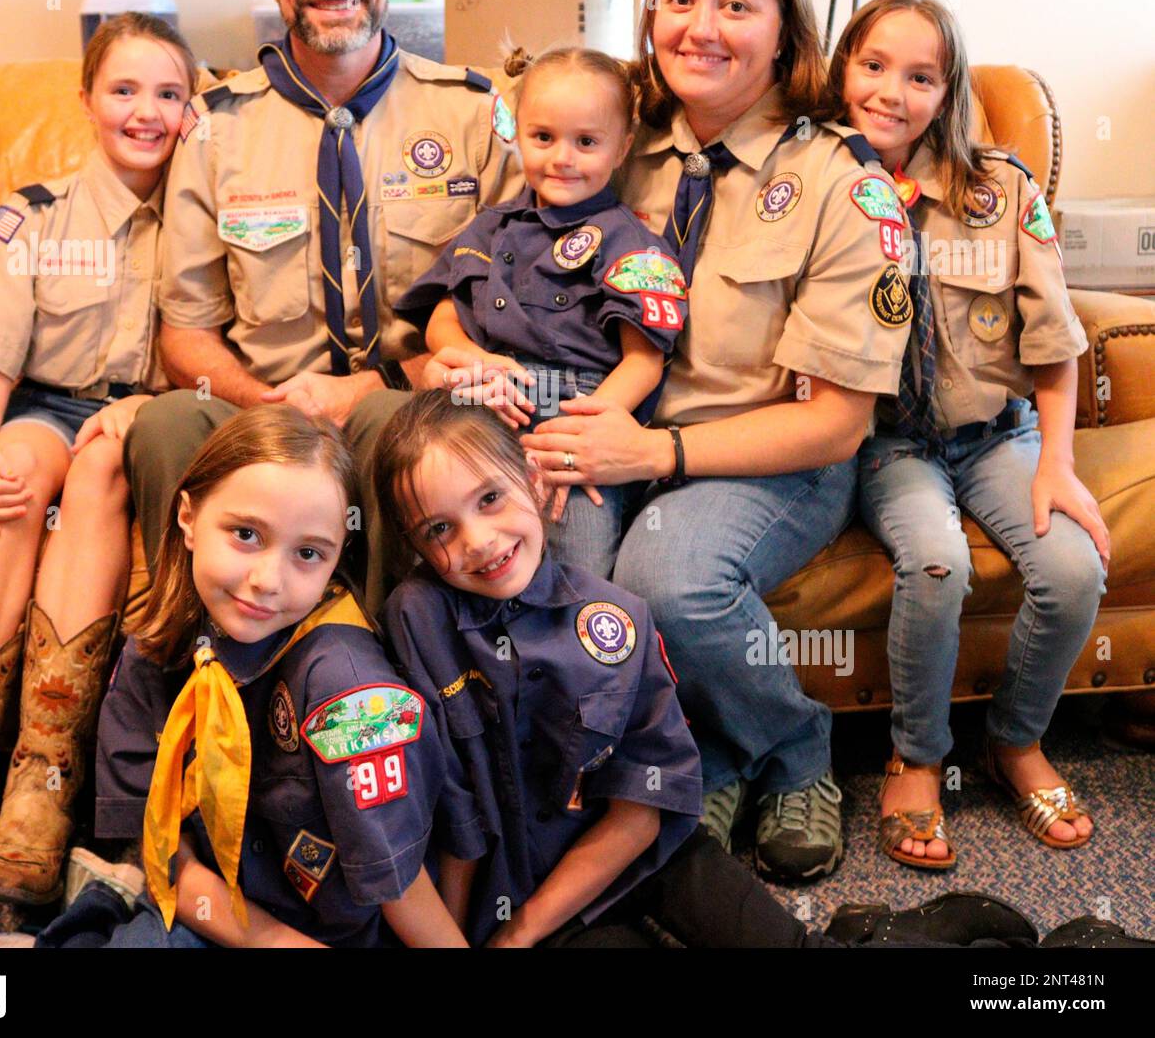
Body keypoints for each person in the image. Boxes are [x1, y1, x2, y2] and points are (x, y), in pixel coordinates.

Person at [518, 0, 911, 882]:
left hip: (766, 454)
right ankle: (702, 757)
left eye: (737, 5)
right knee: (553, 570)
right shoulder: (609, 139)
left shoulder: (838, 181)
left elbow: (834, 422)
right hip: (612, 427)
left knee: (668, 578)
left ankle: (791, 747)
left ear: (786, 30)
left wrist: (653, 453)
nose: (700, 26)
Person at [373, 392, 1040, 948]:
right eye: (439, 529)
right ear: (417, 546)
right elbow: (451, 816)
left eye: (490, 498)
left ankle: (890, 933)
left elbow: (640, 815)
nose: (478, 542)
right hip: (532, 903)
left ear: (534, 475)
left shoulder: (615, 618)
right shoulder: (415, 618)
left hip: (635, 859)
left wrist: (520, 933)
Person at [124, 0, 518, 612]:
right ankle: (193, 667)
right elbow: (186, 334)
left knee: (379, 418)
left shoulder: (472, 114)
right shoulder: (214, 128)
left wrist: (368, 388)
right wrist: (270, 404)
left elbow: (512, 310)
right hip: (262, 407)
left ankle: (377, 670)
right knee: (168, 421)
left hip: (410, 399)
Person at [0, 13, 198, 923]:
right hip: (42, 403)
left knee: (105, 462)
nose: (145, 112)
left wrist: (144, 407)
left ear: (192, 111)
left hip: (140, 422)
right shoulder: (32, 216)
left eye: (169, 93)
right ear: (86, 100)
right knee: (13, 473)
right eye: (123, 89)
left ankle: (43, 782)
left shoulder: (205, 217)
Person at [814, 0, 1107, 869]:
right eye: (873, 66)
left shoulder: (999, 190)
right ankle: (919, 753)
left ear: (949, 92)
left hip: (994, 436)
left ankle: (1014, 741)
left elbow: (1052, 346)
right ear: (842, 72)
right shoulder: (818, 184)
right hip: (889, 443)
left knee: (1072, 566)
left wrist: (1056, 462)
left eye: (921, 76)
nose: (892, 91)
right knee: (935, 565)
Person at [84, 406, 468, 947]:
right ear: (188, 518)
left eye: (308, 553)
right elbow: (166, 856)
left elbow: (397, 883)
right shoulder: (155, 650)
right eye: (246, 534)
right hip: (219, 916)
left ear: (337, 561)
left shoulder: (349, 690)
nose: (267, 580)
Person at [395, 48, 687, 577]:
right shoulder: (491, 226)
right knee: (448, 550)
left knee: (574, 567)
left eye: (587, 142)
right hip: (483, 404)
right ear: (517, 133)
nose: (562, 159)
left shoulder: (631, 244)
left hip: (577, 415)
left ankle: (581, 652)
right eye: (544, 137)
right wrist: (473, 359)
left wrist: (577, 440)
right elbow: (442, 317)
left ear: (622, 148)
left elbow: (642, 364)